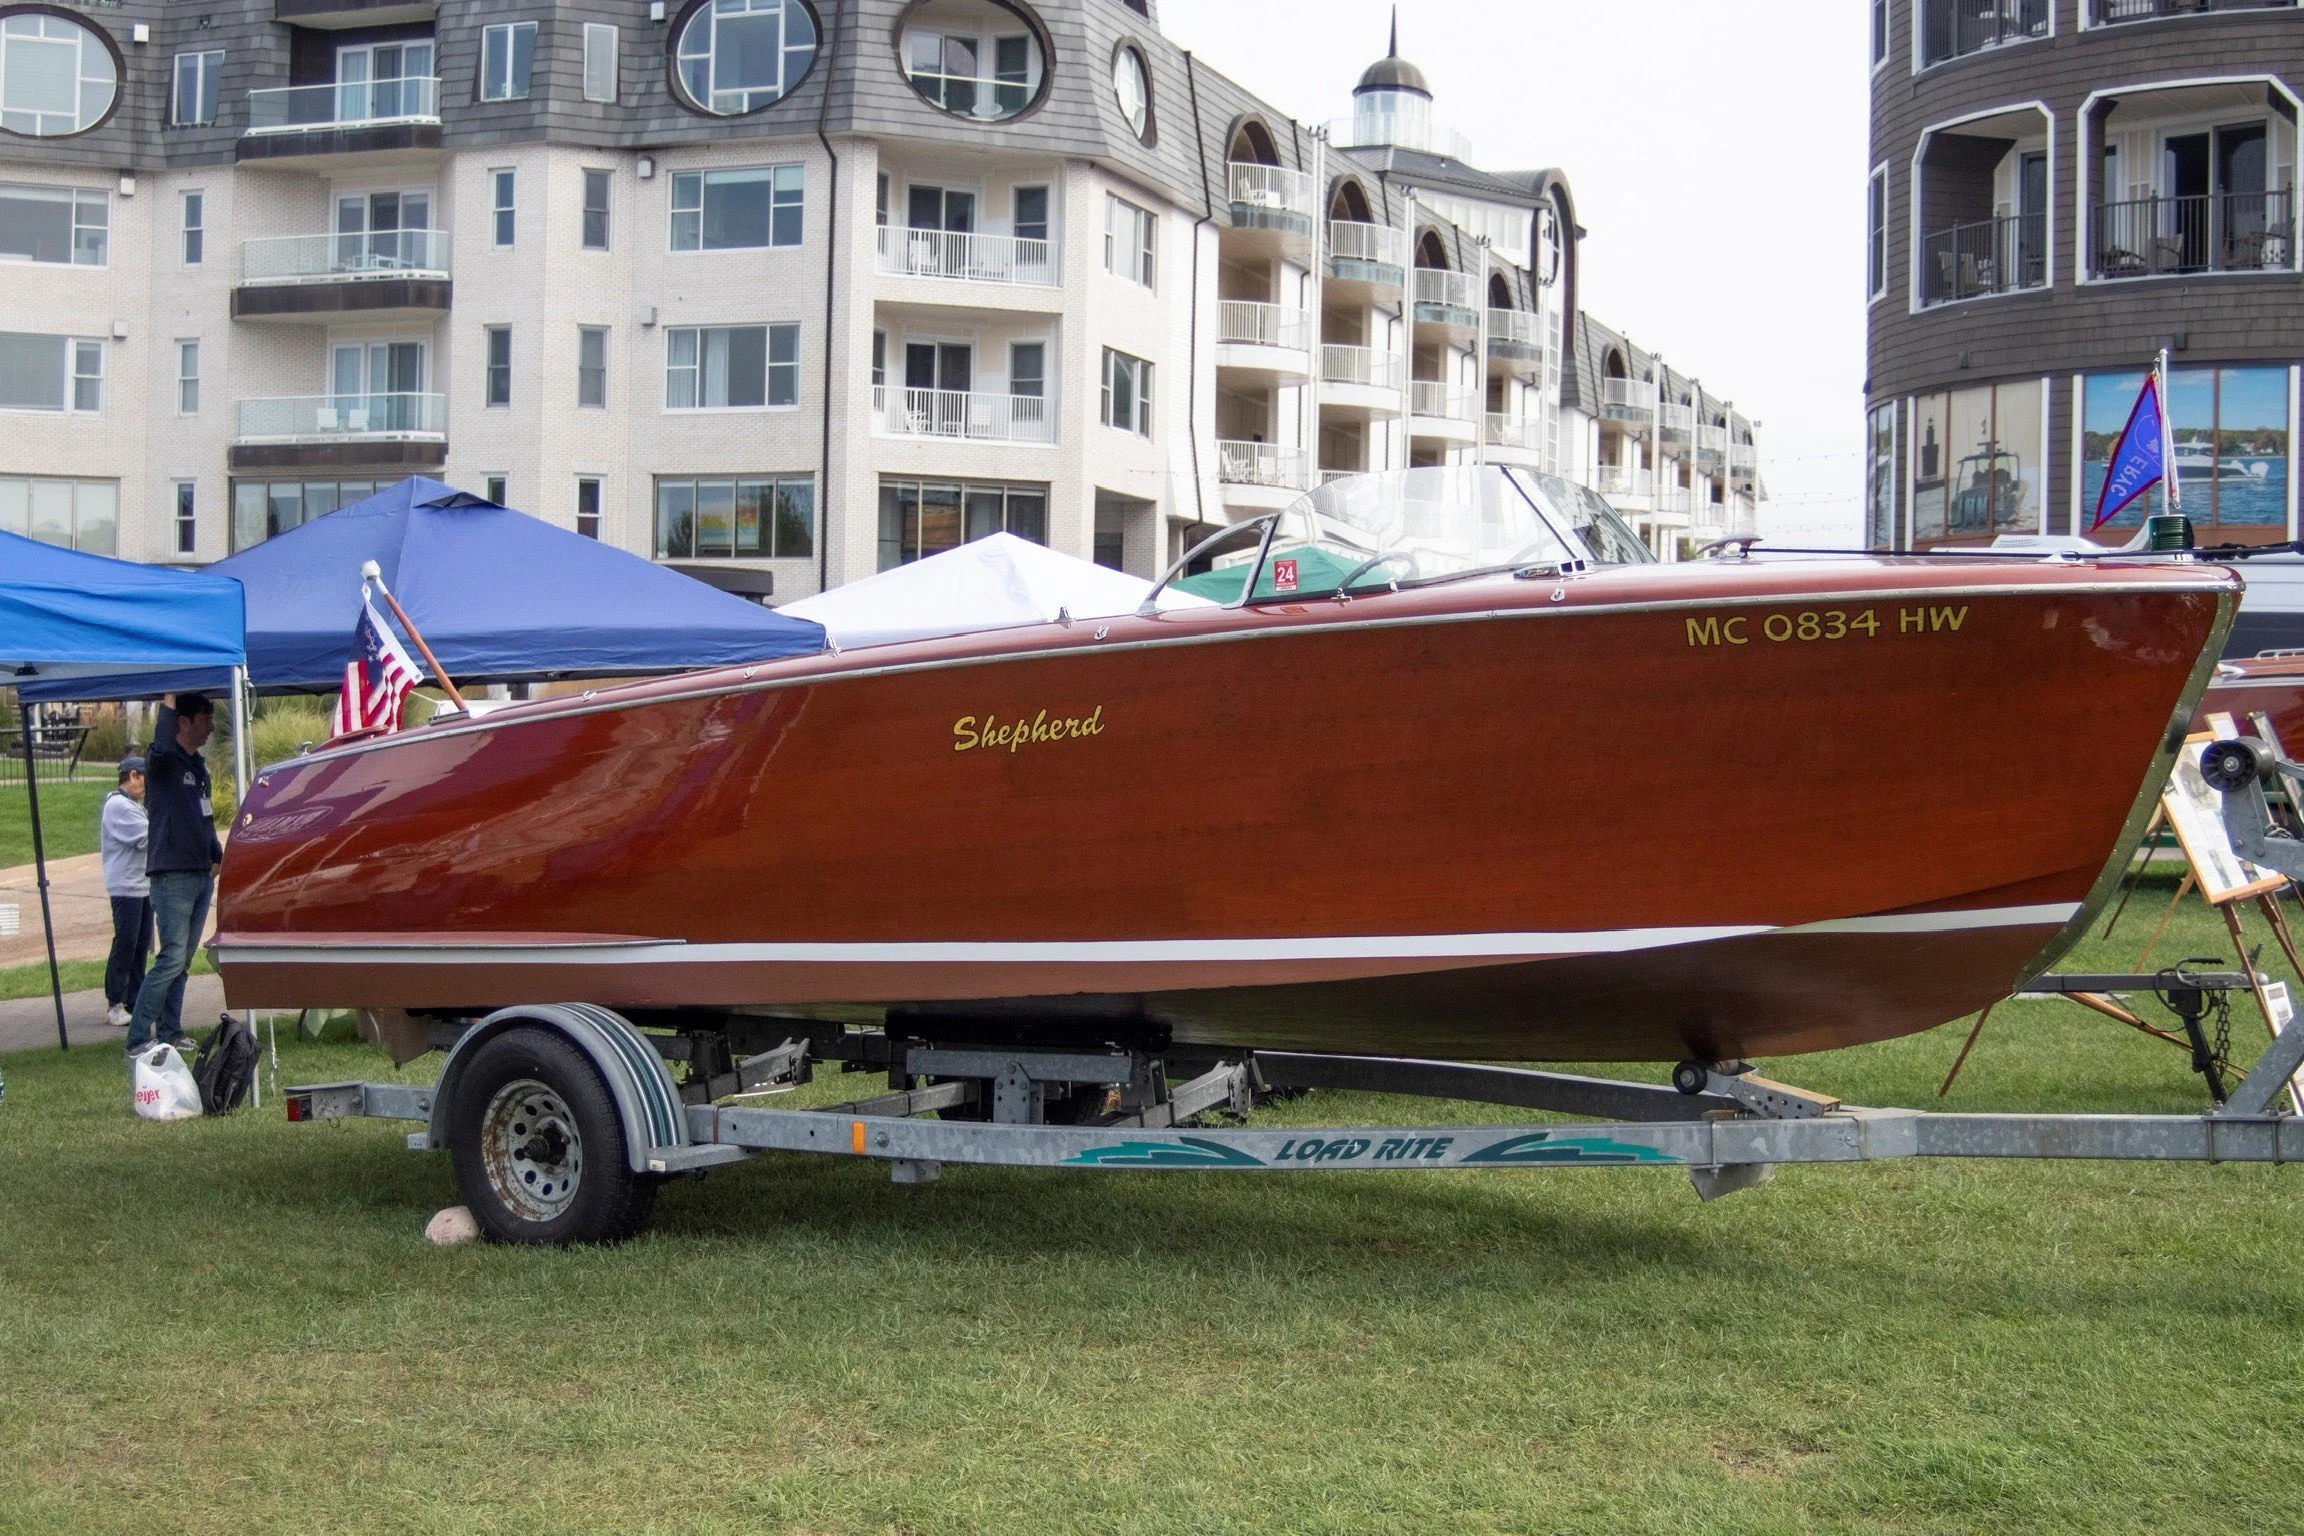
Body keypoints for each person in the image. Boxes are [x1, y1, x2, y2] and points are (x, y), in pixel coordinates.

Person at [125, 693, 223, 1054]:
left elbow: (205, 817)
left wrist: (216, 855)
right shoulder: (163, 762)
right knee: (170, 957)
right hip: (172, 875)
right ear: (183, 721)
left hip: (200, 874)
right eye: (205, 718)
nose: (211, 726)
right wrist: (170, 695)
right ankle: (138, 1038)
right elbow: (162, 743)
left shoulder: (198, 767)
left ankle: (170, 1031)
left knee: (181, 961)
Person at [99, 756, 152, 1030]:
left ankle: (134, 1001)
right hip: (125, 887)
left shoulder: (134, 806)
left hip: (141, 885)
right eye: (145, 779)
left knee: (141, 944)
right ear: (132, 776)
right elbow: (147, 838)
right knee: (126, 943)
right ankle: (114, 1004)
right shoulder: (118, 806)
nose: (147, 786)